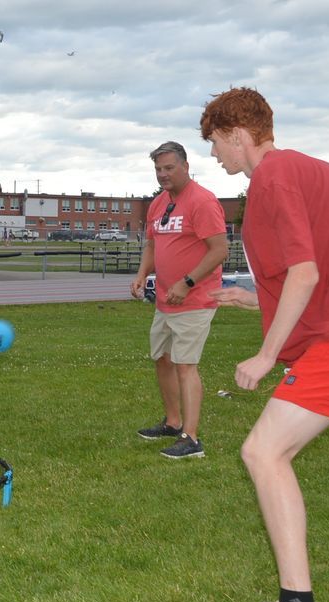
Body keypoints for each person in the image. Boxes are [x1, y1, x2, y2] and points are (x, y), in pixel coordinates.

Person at [200, 87, 329, 602]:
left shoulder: (274, 177)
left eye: (215, 142)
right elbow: (324, 266)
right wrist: (250, 296)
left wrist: (264, 356)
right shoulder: (311, 171)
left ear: (238, 133)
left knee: (264, 451)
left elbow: (305, 274)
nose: (215, 155)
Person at [129, 142, 228, 459]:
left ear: (185, 166)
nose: (163, 174)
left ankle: (191, 437)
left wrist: (188, 282)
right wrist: (142, 274)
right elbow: (152, 247)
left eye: (169, 168)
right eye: (158, 169)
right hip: (165, 301)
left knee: (185, 365)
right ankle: (173, 423)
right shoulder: (159, 204)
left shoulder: (203, 201)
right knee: (162, 359)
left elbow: (219, 250)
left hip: (195, 299)